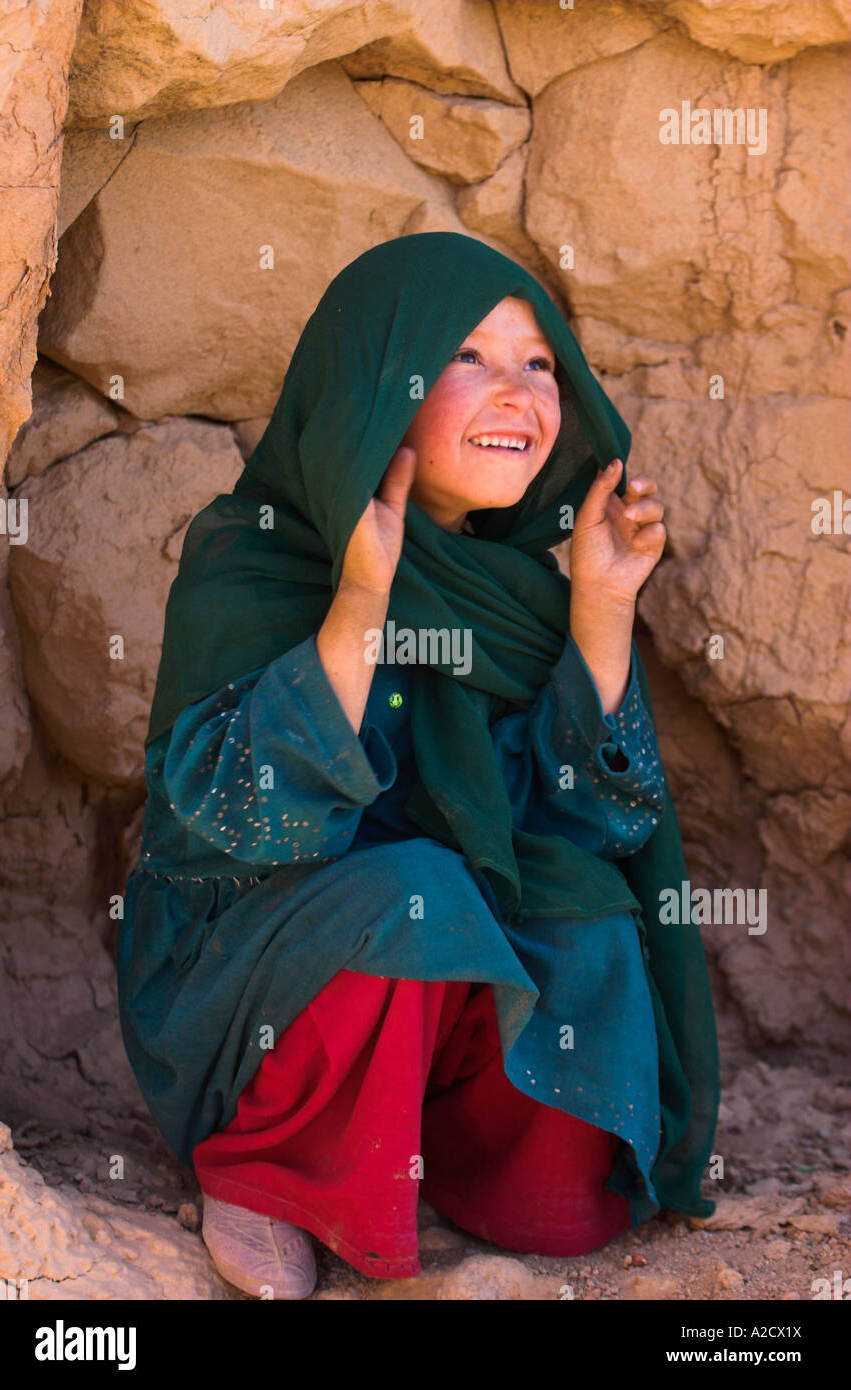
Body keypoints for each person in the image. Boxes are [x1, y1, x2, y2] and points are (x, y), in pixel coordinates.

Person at [117, 232, 720, 1300]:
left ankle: (428, 1161)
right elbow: (234, 825)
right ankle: (268, 1171)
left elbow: (587, 827)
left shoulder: (515, 589)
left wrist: (599, 608)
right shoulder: (256, 555)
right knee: (418, 891)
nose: (516, 395)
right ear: (375, 379)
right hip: (249, 990)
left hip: (435, 976)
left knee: (581, 914)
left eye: (537, 363)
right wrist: (360, 604)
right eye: (467, 358)